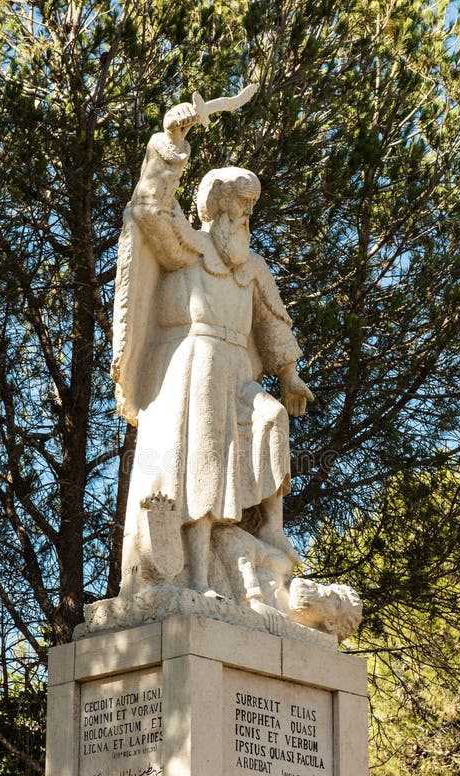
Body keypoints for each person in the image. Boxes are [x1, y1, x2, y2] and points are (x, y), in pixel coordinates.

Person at [112, 101, 313, 598]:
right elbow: (152, 210)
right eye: (238, 207)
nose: (245, 217)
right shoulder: (189, 246)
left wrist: (288, 374)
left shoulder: (252, 266)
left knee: (269, 421)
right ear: (217, 208)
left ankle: (271, 528)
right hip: (188, 369)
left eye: (248, 210)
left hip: (233, 373)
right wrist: (173, 143)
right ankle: (196, 577)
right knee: (198, 473)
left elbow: (271, 321)